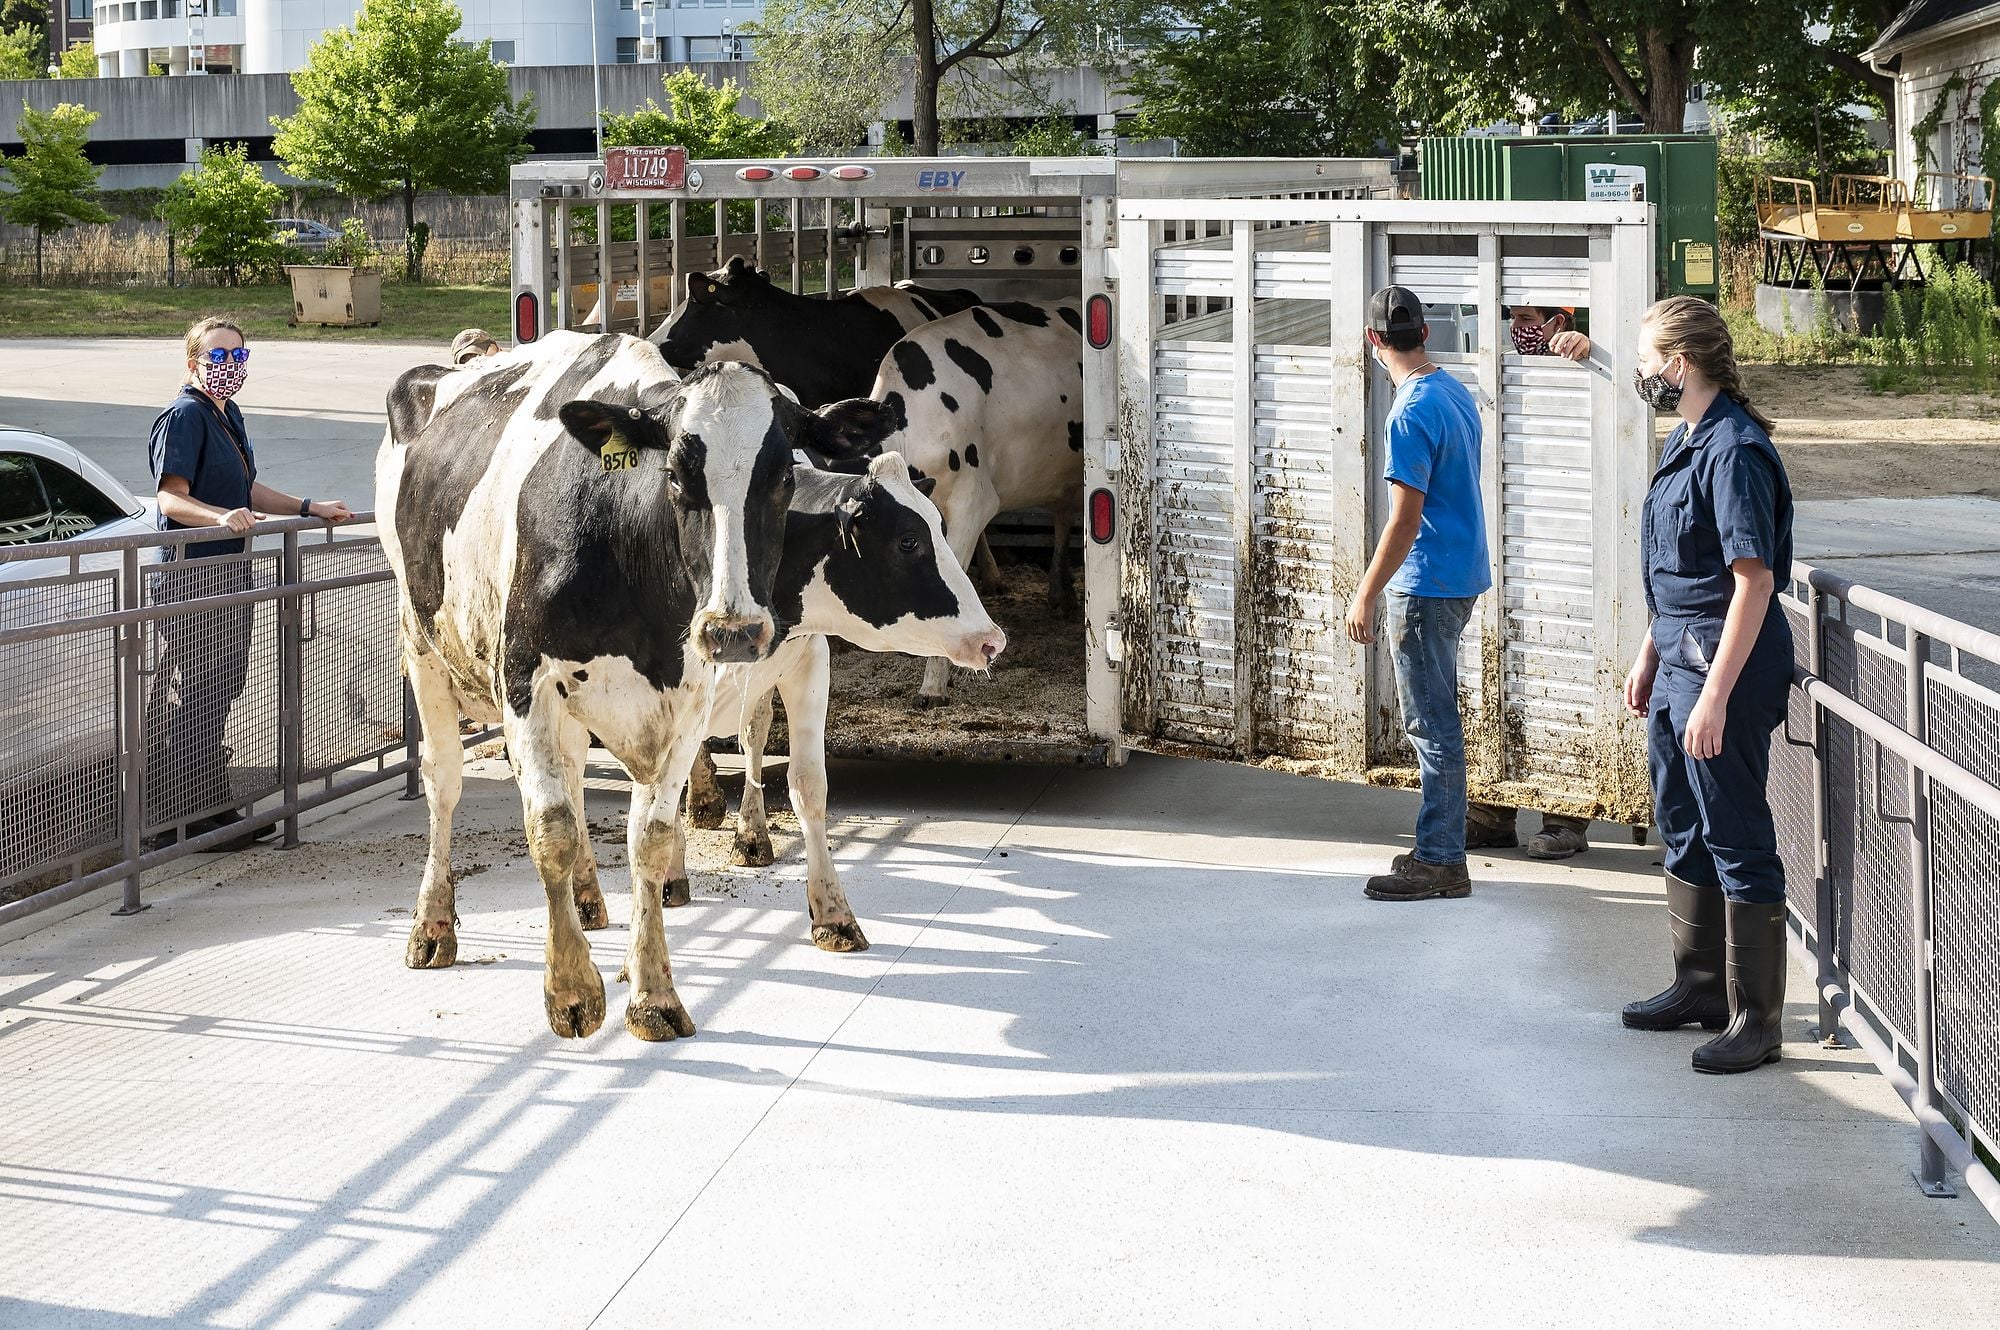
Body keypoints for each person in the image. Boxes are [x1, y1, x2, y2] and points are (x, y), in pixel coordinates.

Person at [1619, 296, 1795, 1075]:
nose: (1641, 372)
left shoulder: (1734, 451)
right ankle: (1700, 989)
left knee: (1736, 834)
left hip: (1724, 668)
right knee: (1682, 821)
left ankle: (1758, 1020)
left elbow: (1750, 583)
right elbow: (1672, 572)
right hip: (1678, 662)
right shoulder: (1686, 436)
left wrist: (1717, 697)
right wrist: (1649, 654)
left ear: (1679, 365)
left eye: (1647, 357)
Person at [146, 317, 354, 851]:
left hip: (229, 575)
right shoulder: (185, 415)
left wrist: (308, 507)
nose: (229, 367)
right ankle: (184, 816)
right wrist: (218, 518)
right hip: (192, 577)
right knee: (199, 694)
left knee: (220, 692)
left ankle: (215, 806)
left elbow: (248, 487)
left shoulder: (228, 414)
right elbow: (171, 498)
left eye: (238, 357)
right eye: (218, 357)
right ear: (193, 363)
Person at [1346, 286, 1492, 902]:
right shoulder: (1452, 391)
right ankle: (1440, 843)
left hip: (1424, 584)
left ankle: (1440, 859)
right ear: (1426, 334)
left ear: (1374, 342)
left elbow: (1405, 520)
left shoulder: (1407, 414)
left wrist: (1365, 593)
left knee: (1430, 722)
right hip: (1460, 576)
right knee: (1438, 717)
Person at [1468, 304, 1602, 860]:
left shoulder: (1588, 357)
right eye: (1513, 315)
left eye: (1531, 317)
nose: (1521, 327)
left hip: (1568, 531)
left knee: (1562, 671)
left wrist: (1588, 353)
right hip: (1504, 524)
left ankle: (1565, 815)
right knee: (1491, 671)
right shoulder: (1491, 363)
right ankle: (1489, 810)